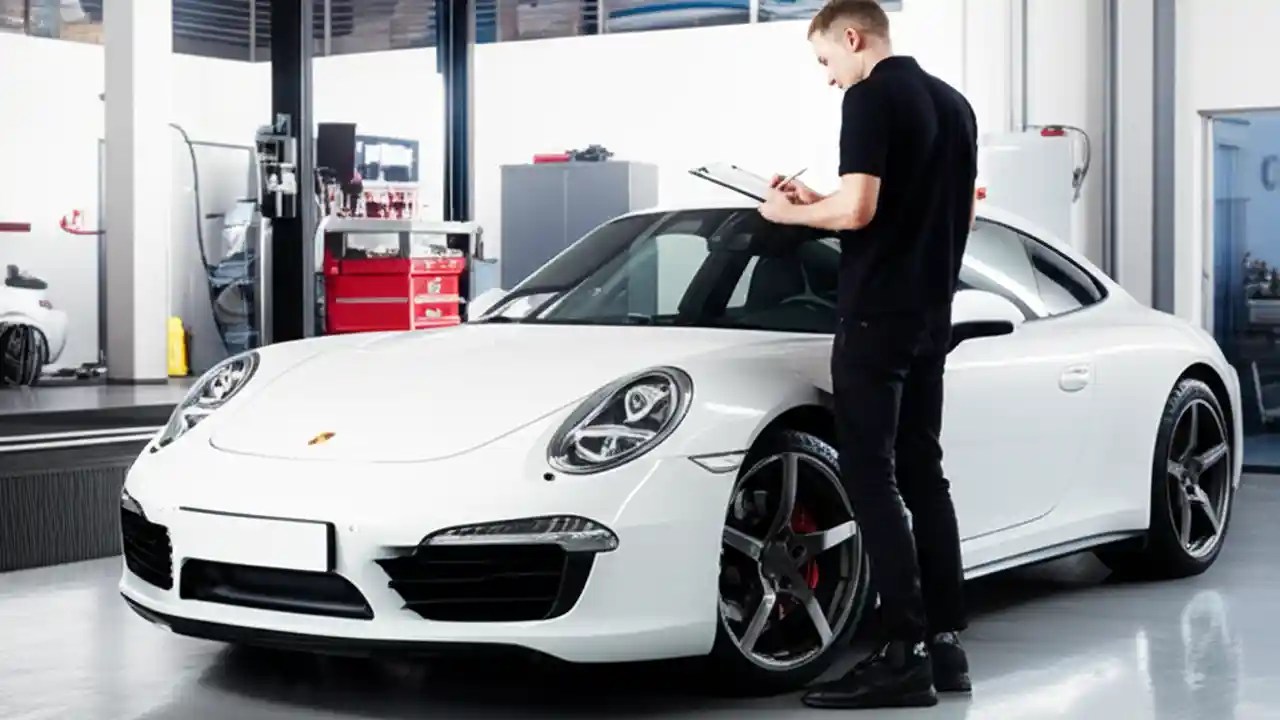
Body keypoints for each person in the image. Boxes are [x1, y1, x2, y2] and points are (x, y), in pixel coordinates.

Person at [755, 0, 978, 710]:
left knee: (870, 476)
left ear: (852, 39)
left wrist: (788, 213)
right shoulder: (954, 104)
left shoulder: (870, 96)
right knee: (923, 474)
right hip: (930, 315)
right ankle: (945, 647)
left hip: (875, 317)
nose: (828, 78)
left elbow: (857, 215)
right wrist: (825, 197)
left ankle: (899, 652)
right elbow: (953, 211)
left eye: (826, 60)